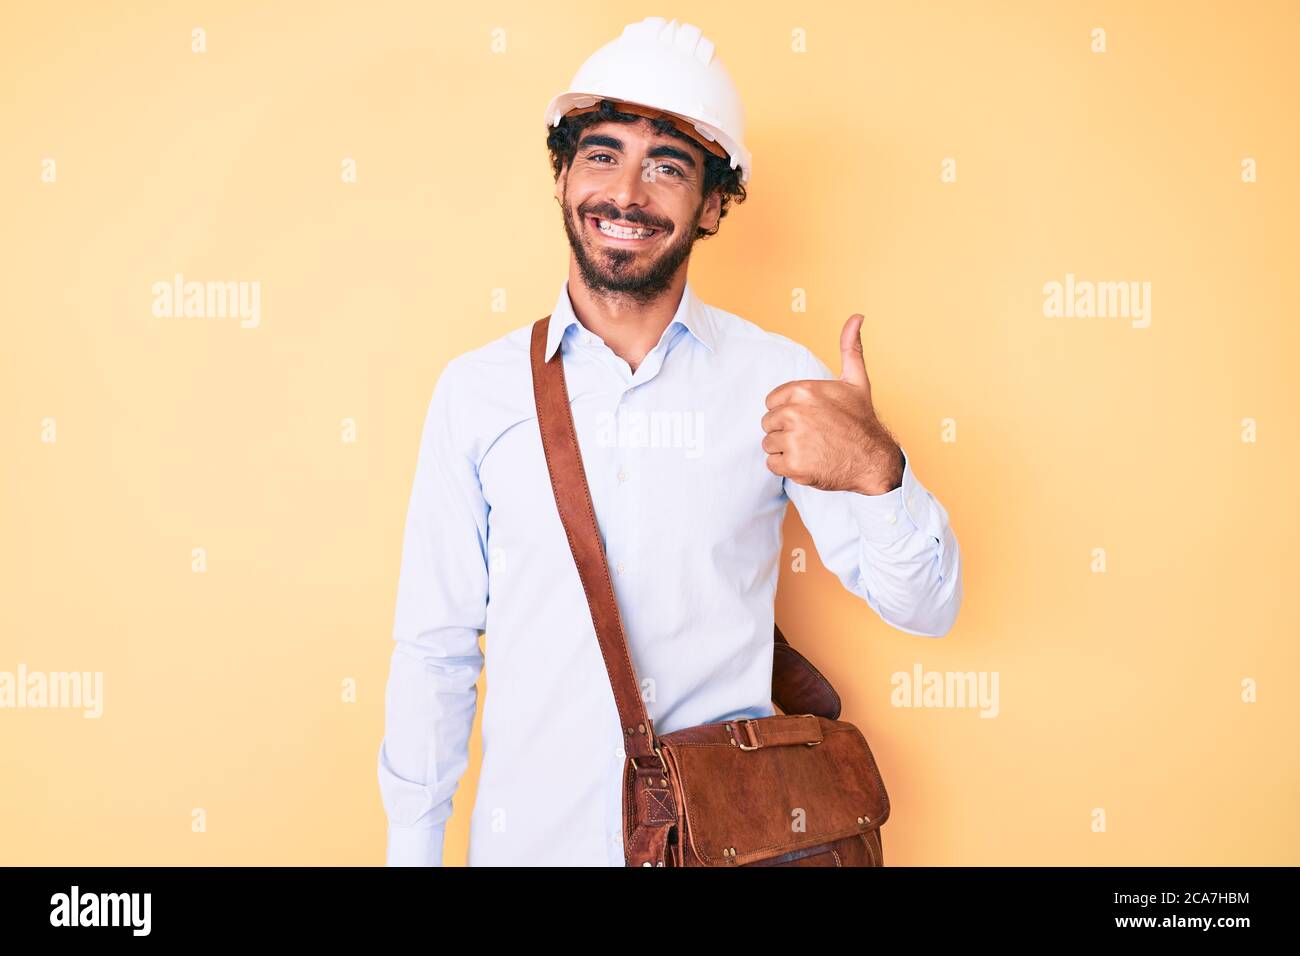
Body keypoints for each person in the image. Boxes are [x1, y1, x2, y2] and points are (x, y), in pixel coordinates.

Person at [377, 16, 962, 866]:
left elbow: (928, 609)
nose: (628, 193)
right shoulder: (476, 393)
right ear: (563, 175)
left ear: (714, 204)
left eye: (669, 166)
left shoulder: (777, 379)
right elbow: (434, 648)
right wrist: (411, 850)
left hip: (727, 846)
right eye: (602, 154)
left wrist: (882, 472)